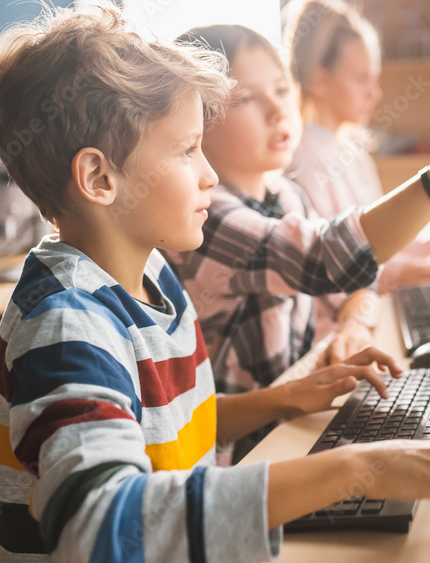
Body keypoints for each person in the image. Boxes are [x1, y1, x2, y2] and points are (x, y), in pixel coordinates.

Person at [0, 3, 430, 561]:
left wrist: (286, 398)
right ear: (99, 178)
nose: (209, 175)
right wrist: (355, 469)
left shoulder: (149, 274)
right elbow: (98, 526)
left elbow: (173, 425)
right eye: (188, 150)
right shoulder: (66, 325)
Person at [162, 26, 382, 466]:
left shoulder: (289, 197)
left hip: (288, 433)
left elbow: (359, 282)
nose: (279, 110)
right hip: (233, 460)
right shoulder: (205, 216)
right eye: (247, 99)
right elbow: (330, 260)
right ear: (197, 122)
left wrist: (356, 324)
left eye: (281, 90)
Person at [284, 0, 430, 301]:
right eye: (361, 79)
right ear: (320, 80)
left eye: (375, 78)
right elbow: (345, 267)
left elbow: (382, 245)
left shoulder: (355, 154)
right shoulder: (300, 163)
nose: (375, 93)